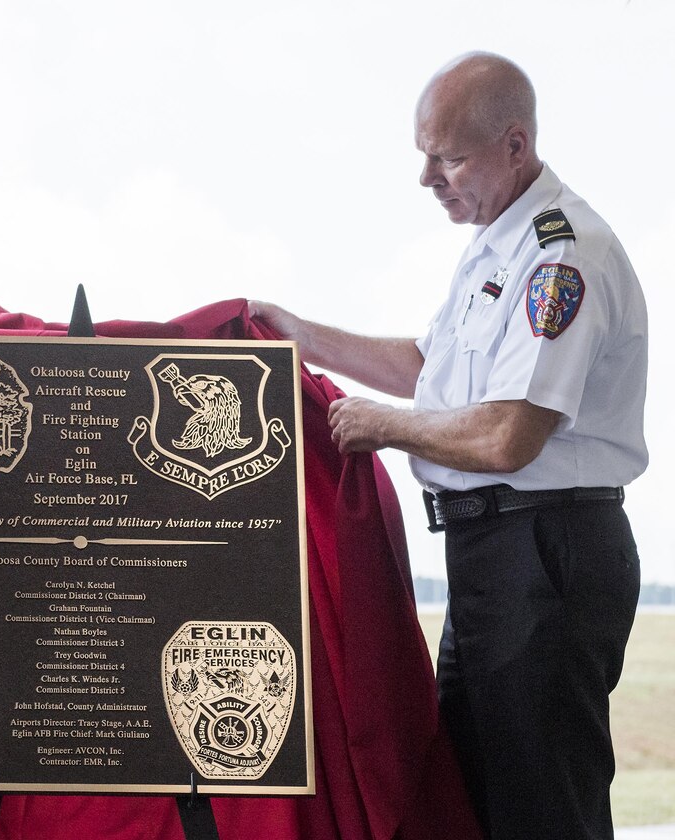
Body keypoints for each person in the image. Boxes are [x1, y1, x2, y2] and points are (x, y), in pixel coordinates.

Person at [250, 52, 645, 840]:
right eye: (424, 153)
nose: (428, 178)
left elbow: (507, 435)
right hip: (494, 555)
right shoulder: (496, 243)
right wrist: (296, 334)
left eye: (449, 156)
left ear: (515, 144)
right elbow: (429, 370)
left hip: (546, 552)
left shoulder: (560, 254)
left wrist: (380, 426)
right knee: (474, 796)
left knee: (542, 806)